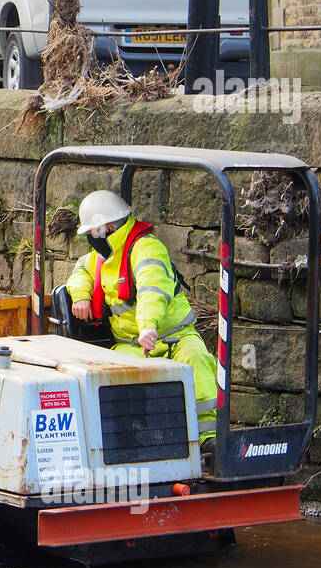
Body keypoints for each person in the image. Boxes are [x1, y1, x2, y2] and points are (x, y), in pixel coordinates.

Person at [66, 190, 218, 451]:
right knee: (119, 377)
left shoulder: (147, 248)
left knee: (197, 360)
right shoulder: (103, 257)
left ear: (106, 229)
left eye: (91, 232)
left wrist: (148, 325)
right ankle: (136, 445)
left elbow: (152, 289)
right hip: (130, 346)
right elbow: (80, 271)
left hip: (176, 337)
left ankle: (208, 441)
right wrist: (81, 296)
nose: (90, 239)